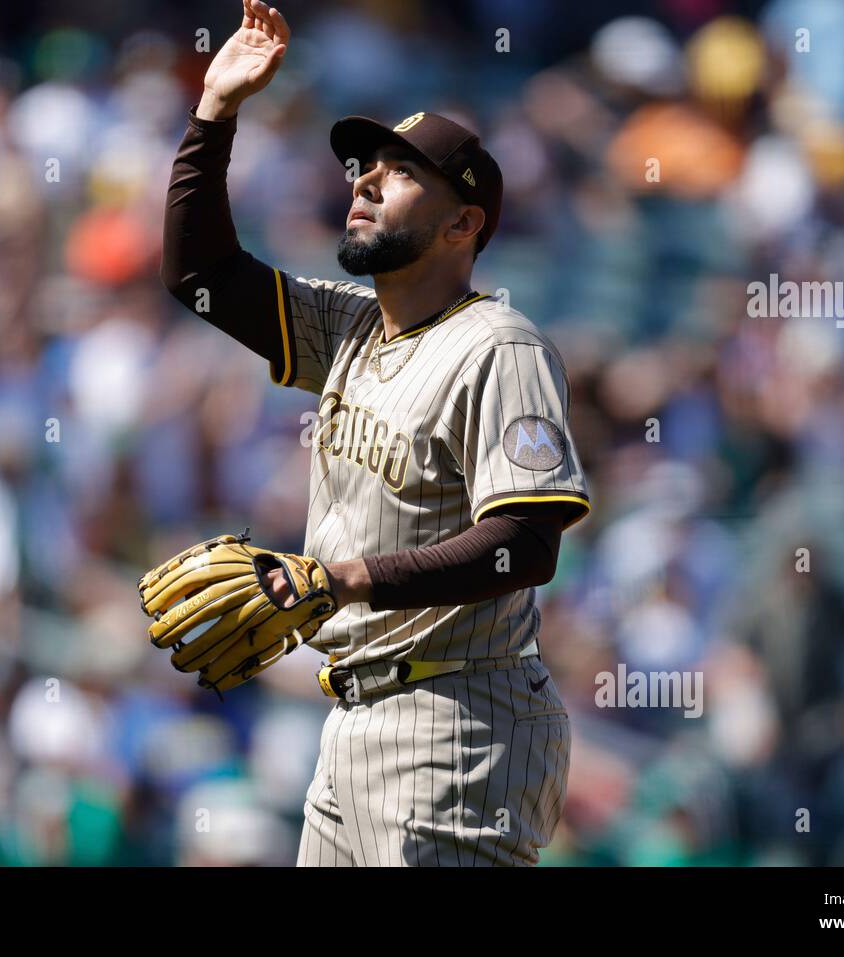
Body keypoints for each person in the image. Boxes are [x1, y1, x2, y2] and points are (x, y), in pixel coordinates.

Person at [159, 0, 591, 866]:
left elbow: (526, 545)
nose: (364, 179)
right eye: (366, 166)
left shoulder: (498, 346)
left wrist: (342, 577)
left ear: (464, 223)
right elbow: (202, 275)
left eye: (400, 173)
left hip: (463, 725)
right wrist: (216, 112)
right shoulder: (351, 325)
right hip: (352, 723)